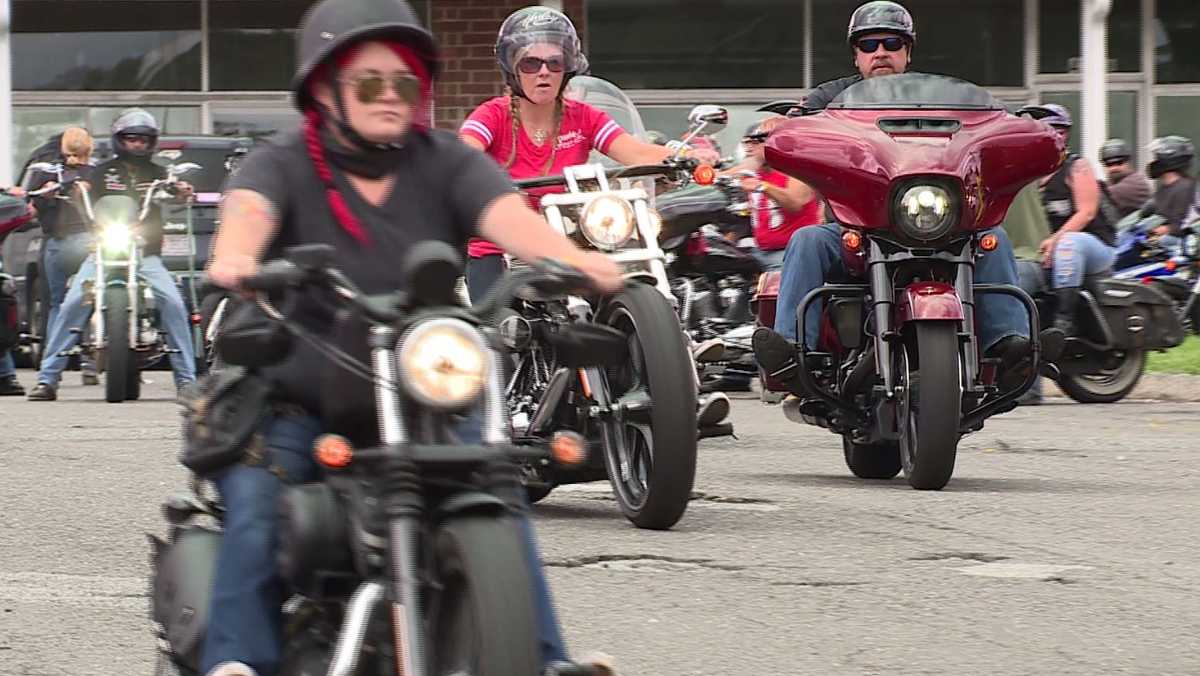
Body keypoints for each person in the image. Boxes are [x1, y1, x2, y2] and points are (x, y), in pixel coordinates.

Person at [199, 1, 625, 674]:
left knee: (497, 492)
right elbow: (248, 211)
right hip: (300, 396)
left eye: (405, 83)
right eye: (371, 82)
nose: (392, 96)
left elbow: (506, 215)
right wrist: (237, 257)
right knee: (257, 505)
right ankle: (237, 662)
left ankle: (543, 662)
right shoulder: (283, 161)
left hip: (422, 391)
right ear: (325, 88)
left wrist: (576, 260)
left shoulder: (443, 160)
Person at [753, 0, 1035, 392]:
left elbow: (987, 121)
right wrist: (783, 126)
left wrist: (1017, 123)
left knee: (992, 238)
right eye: (869, 45)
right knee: (808, 240)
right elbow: (797, 123)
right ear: (856, 55)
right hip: (857, 230)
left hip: (936, 221)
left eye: (891, 42)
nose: (880, 52)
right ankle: (791, 352)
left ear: (907, 51)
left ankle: (1007, 348)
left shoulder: (939, 97)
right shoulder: (828, 100)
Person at [458, 5, 718, 302]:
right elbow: (466, 152)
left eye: (554, 62)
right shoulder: (491, 115)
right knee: (494, 334)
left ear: (567, 68)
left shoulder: (584, 117)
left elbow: (634, 152)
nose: (543, 72)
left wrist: (683, 158)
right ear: (513, 69)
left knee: (619, 285)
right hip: (501, 244)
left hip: (569, 238)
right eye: (531, 63)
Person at [27, 109, 197, 401]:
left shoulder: (158, 173)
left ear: (151, 142)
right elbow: (83, 190)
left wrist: (181, 190)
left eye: (143, 139)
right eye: (131, 138)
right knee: (70, 304)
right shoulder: (103, 171)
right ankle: (47, 380)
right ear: (120, 140)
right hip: (104, 250)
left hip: (145, 253)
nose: (137, 144)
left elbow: (177, 189)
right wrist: (61, 190)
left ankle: (187, 382)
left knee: (172, 302)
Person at [1018, 103, 1116, 336]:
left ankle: (1065, 322)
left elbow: (1087, 212)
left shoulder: (1077, 166)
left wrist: (1055, 239)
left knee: (1069, 244)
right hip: (1050, 251)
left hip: (1095, 246)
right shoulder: (1031, 172)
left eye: (1057, 130)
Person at [27, 127, 101, 385]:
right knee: (91, 302)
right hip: (88, 242)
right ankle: (90, 362)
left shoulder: (45, 170)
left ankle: (51, 370)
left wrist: (46, 196)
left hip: (56, 242)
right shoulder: (96, 172)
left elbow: (32, 205)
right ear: (89, 147)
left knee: (56, 304)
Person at [730, 118, 822, 271]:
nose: (749, 148)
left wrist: (763, 187)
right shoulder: (753, 168)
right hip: (759, 250)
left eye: (756, 142)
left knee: (777, 290)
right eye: (747, 142)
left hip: (789, 251)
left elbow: (795, 203)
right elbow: (718, 176)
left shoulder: (797, 170)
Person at [1142, 135, 1198, 238]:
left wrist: (1165, 229)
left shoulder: (1184, 189)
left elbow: (1185, 225)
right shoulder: (1163, 188)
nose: (1154, 163)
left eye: (1157, 158)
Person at [1099, 138, 1152, 217]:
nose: (1114, 168)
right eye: (1109, 164)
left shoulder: (1135, 183)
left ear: (1128, 162)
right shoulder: (1111, 183)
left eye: (1119, 163)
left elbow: (1096, 199)